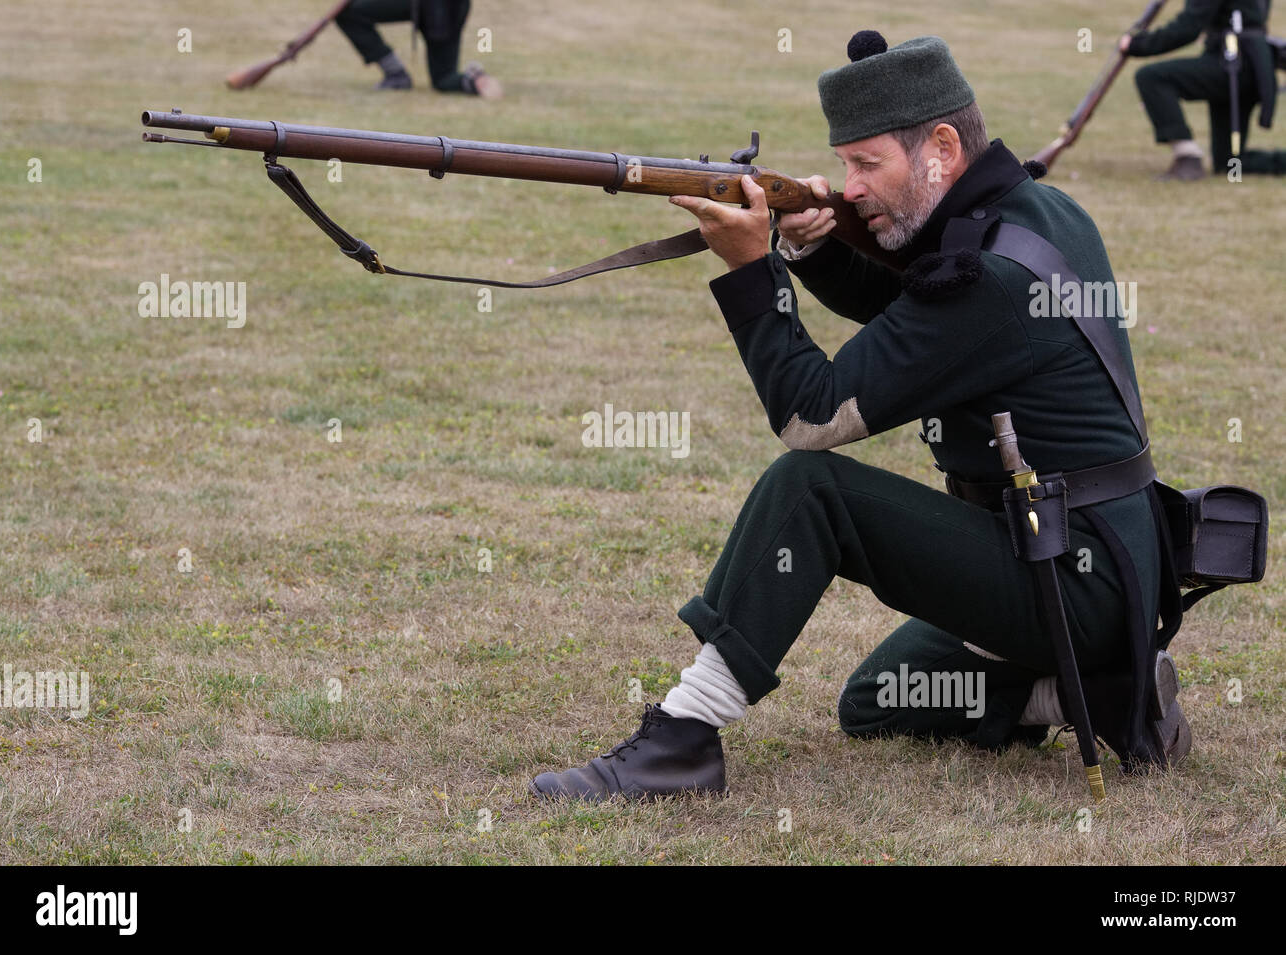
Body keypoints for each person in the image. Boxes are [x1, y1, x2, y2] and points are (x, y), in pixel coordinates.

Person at [530, 31, 1190, 802]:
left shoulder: (994, 281)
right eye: (843, 164)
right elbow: (917, 316)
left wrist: (754, 271)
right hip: (1098, 561)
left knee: (812, 486)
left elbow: (813, 416)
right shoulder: (1036, 212)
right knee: (879, 699)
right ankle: (1101, 694)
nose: (849, 188)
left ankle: (682, 737)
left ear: (942, 146)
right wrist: (812, 251)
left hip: (1072, 579)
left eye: (867, 164)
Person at [1123, 0, 1283, 179]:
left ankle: (1187, 156)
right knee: (1229, 163)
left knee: (1151, 77)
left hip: (1232, 65)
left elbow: (1188, 28)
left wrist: (1137, 44)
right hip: (1251, 64)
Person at [335, 0, 501, 97]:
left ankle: (395, 74)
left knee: (350, 14)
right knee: (444, 78)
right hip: (449, 7)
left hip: (440, 7)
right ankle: (474, 81)